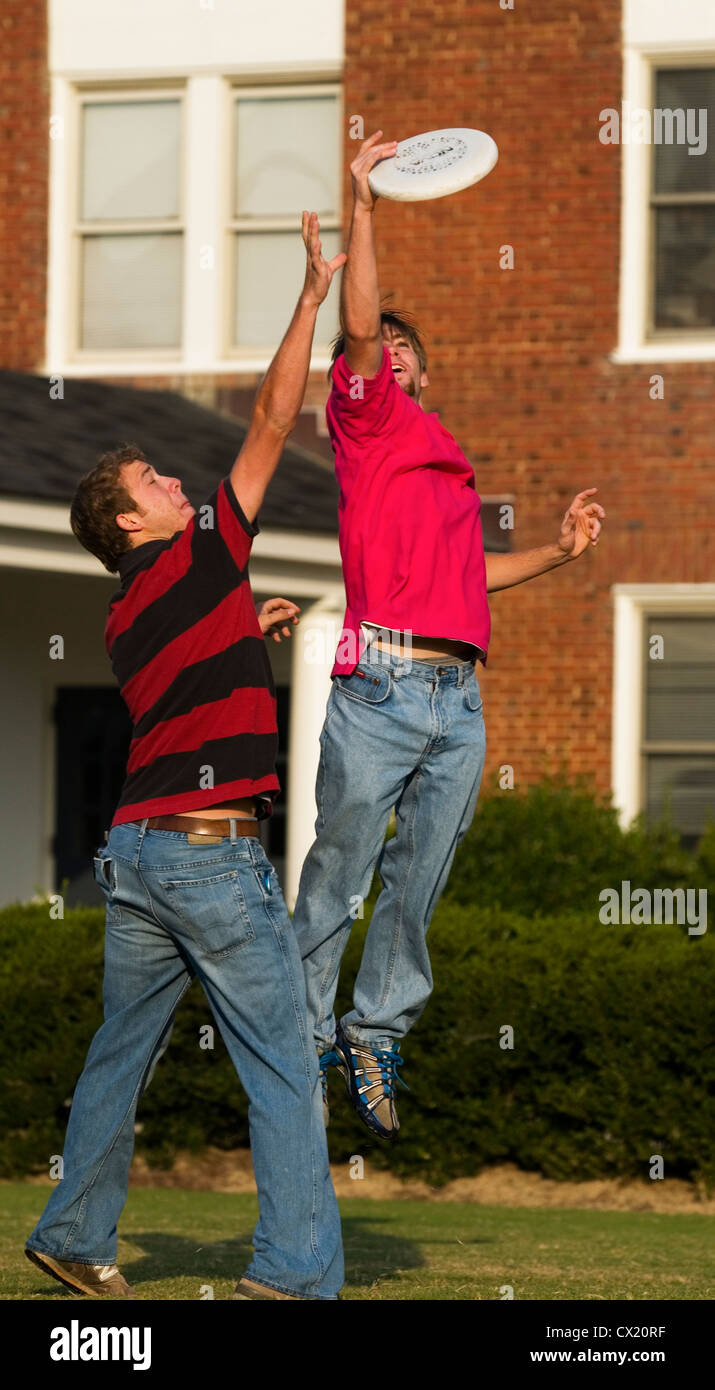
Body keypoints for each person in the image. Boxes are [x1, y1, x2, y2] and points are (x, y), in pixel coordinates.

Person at [25, 213, 347, 1302]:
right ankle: (295, 1271)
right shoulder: (204, 547)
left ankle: (73, 1232)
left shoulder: (128, 614)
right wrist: (312, 294)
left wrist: (248, 634)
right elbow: (271, 415)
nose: (175, 481)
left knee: (121, 1054)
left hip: (135, 855)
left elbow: (183, 683)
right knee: (285, 1060)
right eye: (154, 480)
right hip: (209, 859)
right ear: (132, 522)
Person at [291, 131, 606, 1142]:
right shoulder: (365, 419)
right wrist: (367, 206)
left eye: (408, 349)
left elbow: (472, 579)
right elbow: (362, 319)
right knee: (338, 874)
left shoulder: (441, 457)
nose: (395, 352)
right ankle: (296, 1041)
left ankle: (374, 1031)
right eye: (383, 343)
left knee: (417, 880)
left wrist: (556, 553)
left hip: (457, 696)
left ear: (426, 372)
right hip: (379, 687)